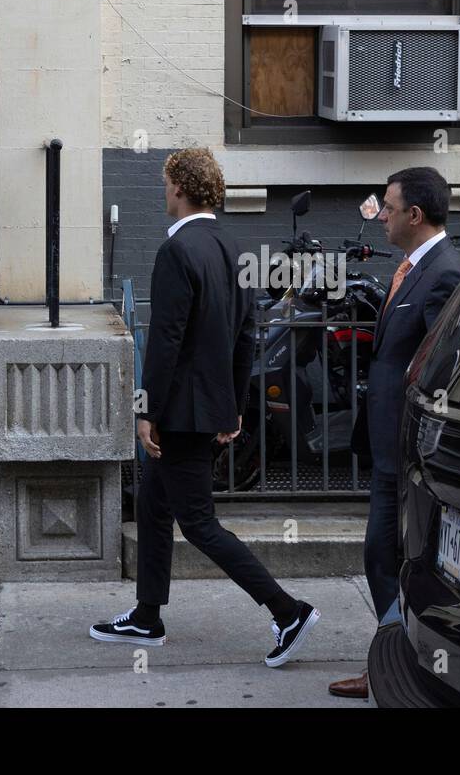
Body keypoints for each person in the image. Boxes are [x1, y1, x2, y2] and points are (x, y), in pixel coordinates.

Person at [90, 148, 321, 667]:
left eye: (165, 182)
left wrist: (146, 409)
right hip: (206, 407)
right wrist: (234, 406)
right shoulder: (232, 247)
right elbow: (247, 335)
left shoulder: (177, 251)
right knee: (153, 506)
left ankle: (288, 611)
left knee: (198, 524)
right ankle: (147, 616)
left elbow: (167, 340)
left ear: (179, 188)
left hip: (180, 414)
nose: (161, 190)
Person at [330, 166, 460, 699]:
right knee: (383, 554)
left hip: (407, 450)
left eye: (388, 207)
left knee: (386, 553)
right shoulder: (411, 269)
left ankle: (394, 665)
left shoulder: (445, 273)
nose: (380, 215)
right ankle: (395, 658)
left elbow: (439, 368)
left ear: (414, 214)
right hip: (388, 447)